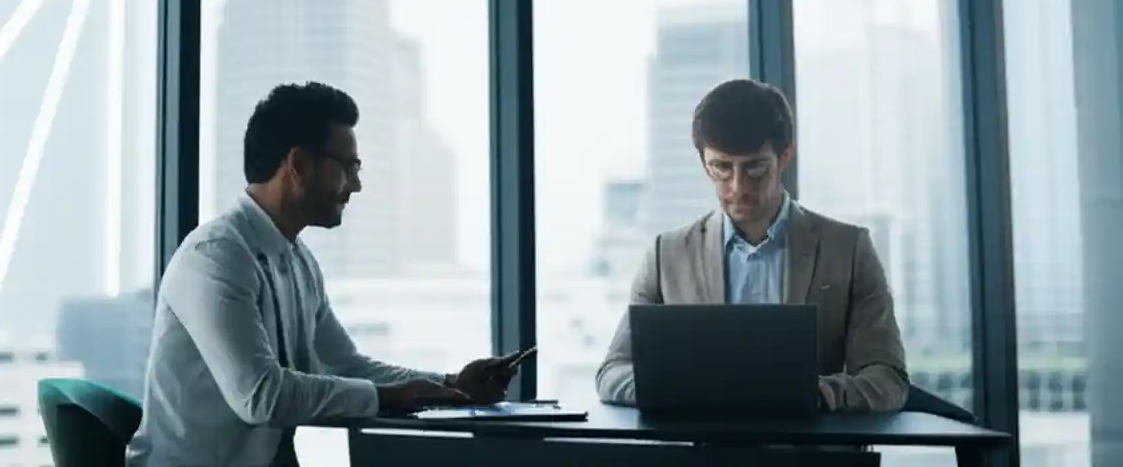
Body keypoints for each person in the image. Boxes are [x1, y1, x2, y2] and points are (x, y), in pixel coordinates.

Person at [128, 82, 521, 466]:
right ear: (299, 165)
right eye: (348, 167)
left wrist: (450, 385)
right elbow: (261, 396)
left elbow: (345, 365)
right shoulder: (216, 256)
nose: (357, 185)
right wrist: (392, 396)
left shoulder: (298, 260)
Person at [595, 79, 908, 413]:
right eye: (721, 168)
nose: (738, 187)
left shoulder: (847, 250)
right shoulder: (666, 256)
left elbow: (888, 379)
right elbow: (612, 373)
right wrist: (684, 388)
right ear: (703, 161)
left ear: (784, 156)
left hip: (808, 442)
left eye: (755, 168)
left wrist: (815, 393)